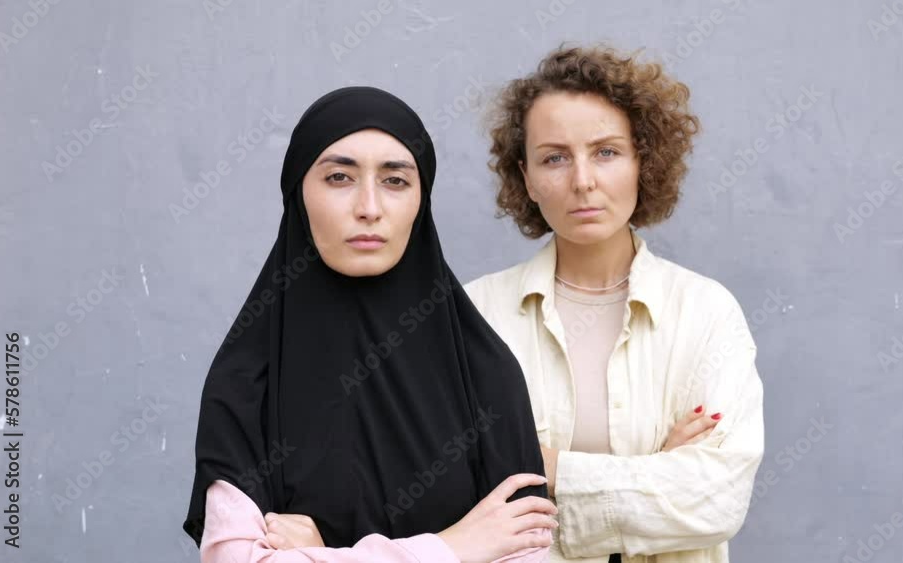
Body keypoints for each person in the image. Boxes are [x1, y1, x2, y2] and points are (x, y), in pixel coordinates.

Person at [183, 86, 556, 563]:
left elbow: (524, 552)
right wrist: (453, 547)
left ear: (422, 201)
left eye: (396, 180)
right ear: (298, 192)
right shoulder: (245, 383)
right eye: (339, 177)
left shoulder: (483, 373)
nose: (369, 207)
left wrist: (324, 556)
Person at [464, 45, 766, 562]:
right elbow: (448, 497)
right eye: (554, 157)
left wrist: (554, 471)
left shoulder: (706, 311)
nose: (583, 180)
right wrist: (654, 474)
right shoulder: (475, 314)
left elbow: (717, 500)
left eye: (606, 151)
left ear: (642, 161)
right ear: (527, 177)